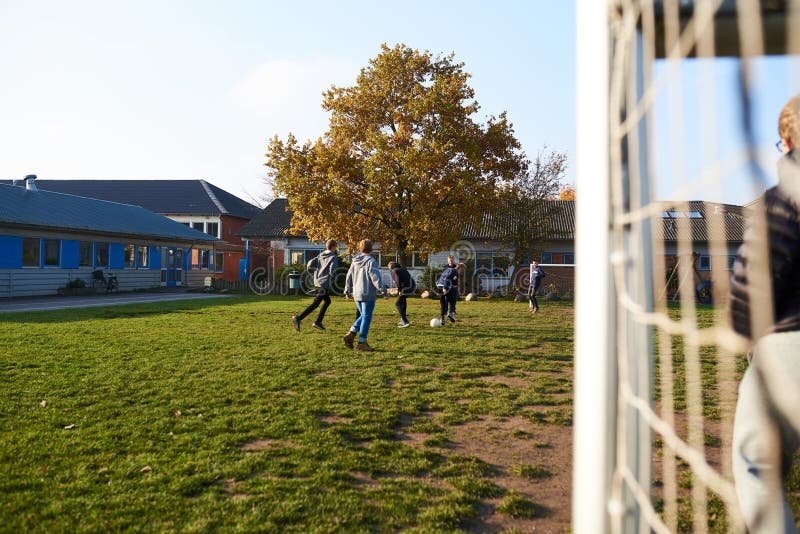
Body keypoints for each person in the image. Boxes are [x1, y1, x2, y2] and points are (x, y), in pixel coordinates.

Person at [730, 94, 800, 533]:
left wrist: (741, 329)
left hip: (788, 345)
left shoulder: (784, 198)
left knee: (755, 461)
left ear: (787, 142)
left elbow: (757, 279)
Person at [343, 240, 387, 351]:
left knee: (364, 316)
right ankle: (362, 342)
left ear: (360, 248)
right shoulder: (371, 261)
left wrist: (347, 290)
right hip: (368, 293)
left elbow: (348, 276)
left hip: (357, 293)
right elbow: (375, 277)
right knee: (366, 317)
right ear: (371, 249)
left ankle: (351, 333)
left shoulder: (354, 261)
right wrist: (383, 291)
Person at [291, 240, 339, 332]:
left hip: (317, 281)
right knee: (316, 304)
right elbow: (332, 270)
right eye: (335, 247)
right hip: (324, 283)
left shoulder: (320, 255)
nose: (336, 248)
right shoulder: (333, 257)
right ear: (333, 247)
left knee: (327, 301)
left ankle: (318, 322)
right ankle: (299, 318)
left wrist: (313, 274)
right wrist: (334, 278)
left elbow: (310, 265)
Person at [388, 261, 416, 327]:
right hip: (412, 286)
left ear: (391, 266)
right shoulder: (403, 269)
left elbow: (398, 280)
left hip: (406, 288)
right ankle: (403, 319)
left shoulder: (394, 270)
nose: (388, 268)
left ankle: (405, 321)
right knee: (402, 301)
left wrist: (399, 290)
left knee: (397, 303)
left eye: (388, 266)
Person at [436, 256, 459, 324]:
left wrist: (455, 279)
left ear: (453, 260)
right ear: (448, 260)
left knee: (453, 301)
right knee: (444, 303)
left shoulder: (455, 267)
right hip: (444, 287)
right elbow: (443, 278)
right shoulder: (445, 268)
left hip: (452, 288)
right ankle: (443, 318)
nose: (451, 261)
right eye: (449, 260)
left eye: (452, 260)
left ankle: (451, 314)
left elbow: (456, 277)